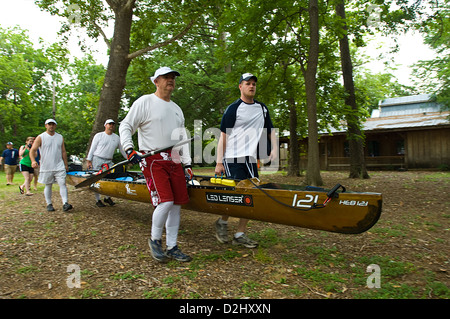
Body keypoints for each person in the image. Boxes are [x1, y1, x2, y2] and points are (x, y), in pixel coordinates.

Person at [119, 66, 193, 263]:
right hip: (152, 159)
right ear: (156, 81)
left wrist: (187, 164)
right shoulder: (145, 102)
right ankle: (154, 240)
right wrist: (129, 149)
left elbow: (182, 138)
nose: (170, 80)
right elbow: (125, 125)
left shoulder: (177, 109)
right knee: (166, 201)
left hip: (174, 158)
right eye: (165, 77)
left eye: (172, 78)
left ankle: (172, 246)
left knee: (177, 204)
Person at [214, 73, 278, 248]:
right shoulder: (233, 109)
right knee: (236, 195)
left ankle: (240, 234)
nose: (251, 86)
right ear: (240, 87)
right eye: (248, 83)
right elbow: (223, 137)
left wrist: (273, 148)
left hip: (250, 159)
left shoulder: (262, 109)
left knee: (252, 196)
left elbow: (270, 130)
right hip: (232, 157)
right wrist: (219, 162)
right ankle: (222, 222)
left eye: (254, 84)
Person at [30, 119, 73, 212]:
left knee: (62, 183)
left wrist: (65, 164)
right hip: (46, 165)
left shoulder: (60, 137)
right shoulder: (41, 137)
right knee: (48, 185)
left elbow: (63, 151)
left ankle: (65, 203)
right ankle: (49, 204)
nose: (51, 126)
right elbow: (32, 150)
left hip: (59, 165)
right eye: (49, 124)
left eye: (53, 124)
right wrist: (33, 161)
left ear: (55, 126)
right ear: (46, 125)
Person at [86, 119, 127, 207]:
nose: (111, 125)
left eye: (113, 124)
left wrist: (129, 158)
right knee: (97, 178)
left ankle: (107, 197)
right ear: (105, 125)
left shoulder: (116, 137)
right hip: (98, 159)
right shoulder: (99, 135)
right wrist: (89, 160)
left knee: (110, 178)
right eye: (109, 124)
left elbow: (122, 150)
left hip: (109, 161)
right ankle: (98, 200)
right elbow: (92, 148)